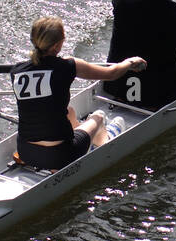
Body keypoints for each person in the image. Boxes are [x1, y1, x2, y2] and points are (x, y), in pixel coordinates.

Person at [11, 16, 144, 171]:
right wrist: (130, 63)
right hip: (60, 155)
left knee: (69, 112)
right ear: (56, 46)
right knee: (99, 116)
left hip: (26, 152)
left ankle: (80, 136)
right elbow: (111, 74)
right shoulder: (67, 66)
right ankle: (104, 140)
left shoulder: (16, 71)